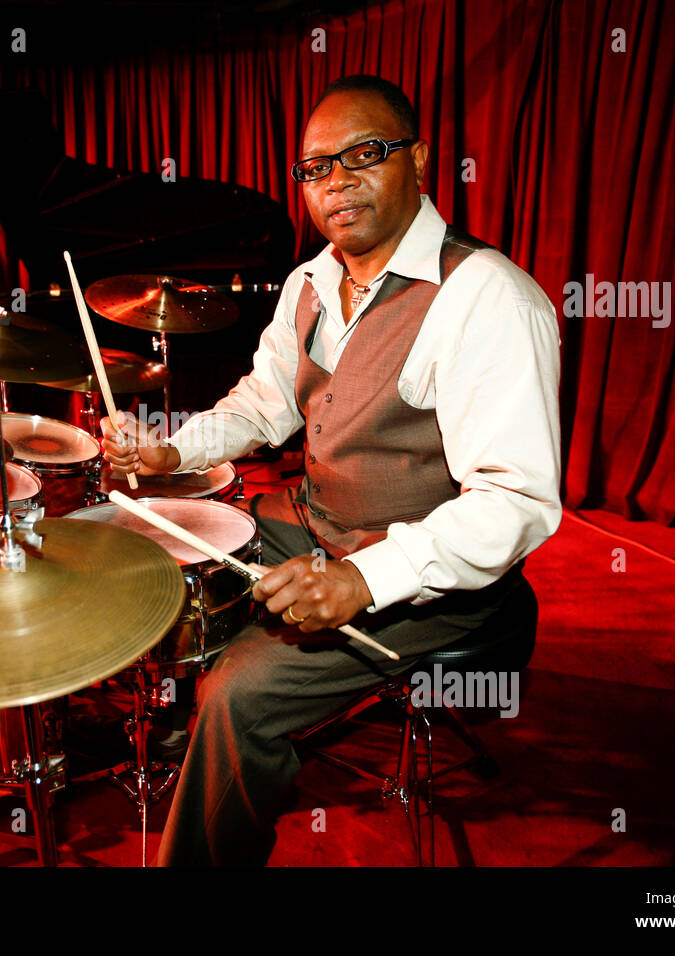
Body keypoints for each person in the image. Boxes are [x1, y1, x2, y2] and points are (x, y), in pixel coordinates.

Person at [100, 75, 562, 866]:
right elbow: (262, 405)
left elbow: (514, 503)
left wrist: (361, 580)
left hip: (436, 576)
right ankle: (191, 748)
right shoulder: (309, 282)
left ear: (419, 160)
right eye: (316, 168)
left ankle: (216, 787)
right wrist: (170, 450)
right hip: (311, 520)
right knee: (155, 565)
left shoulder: (487, 297)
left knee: (240, 694)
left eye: (364, 155)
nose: (336, 181)